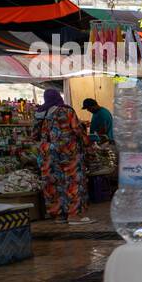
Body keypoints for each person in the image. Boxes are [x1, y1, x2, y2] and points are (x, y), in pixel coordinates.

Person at [35, 89, 91, 224]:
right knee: (73, 182)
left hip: (47, 153)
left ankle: (59, 216)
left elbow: (34, 135)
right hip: (67, 151)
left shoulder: (39, 113)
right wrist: (87, 144)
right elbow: (77, 129)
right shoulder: (66, 111)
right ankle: (74, 216)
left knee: (53, 183)